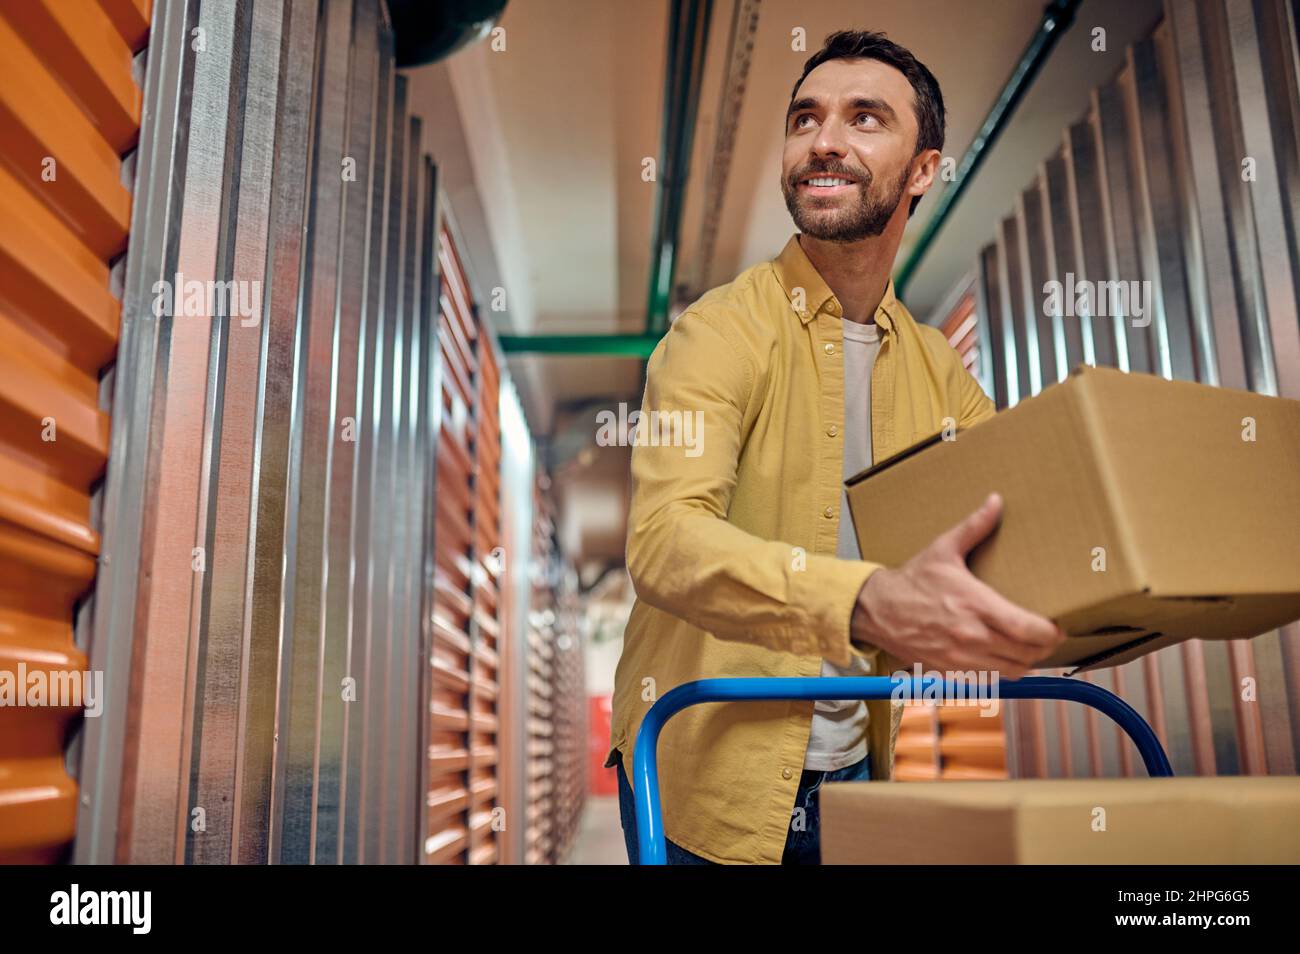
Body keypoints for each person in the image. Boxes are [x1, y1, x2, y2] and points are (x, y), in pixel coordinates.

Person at [608, 29, 1066, 865]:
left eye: (864, 119)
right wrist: (866, 601)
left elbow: (1025, 523)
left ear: (923, 169)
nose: (824, 140)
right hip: (705, 788)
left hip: (856, 770)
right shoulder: (717, 334)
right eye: (805, 119)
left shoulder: (936, 371)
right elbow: (665, 541)